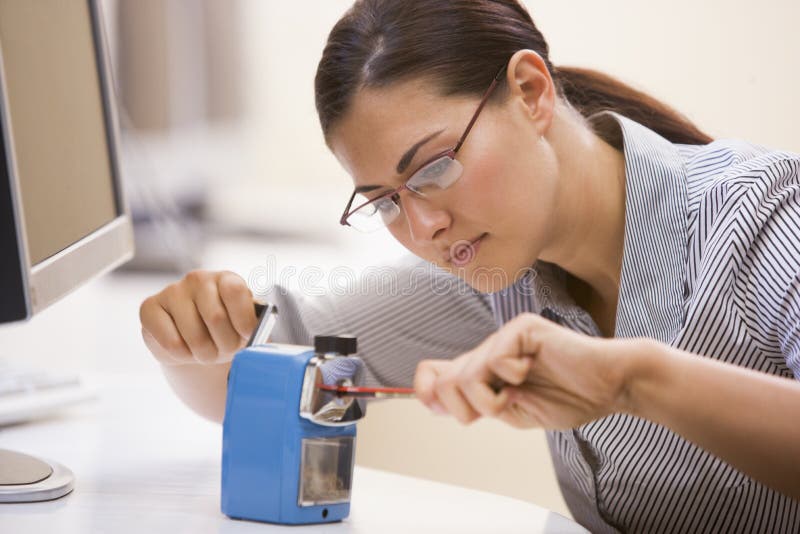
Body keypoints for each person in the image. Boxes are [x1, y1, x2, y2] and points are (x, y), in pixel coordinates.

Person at [139, 0, 800, 531]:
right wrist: (188, 338)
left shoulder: (767, 216)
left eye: (435, 168)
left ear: (531, 90)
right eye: (386, 204)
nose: (424, 226)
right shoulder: (498, 272)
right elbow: (254, 381)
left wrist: (634, 380)